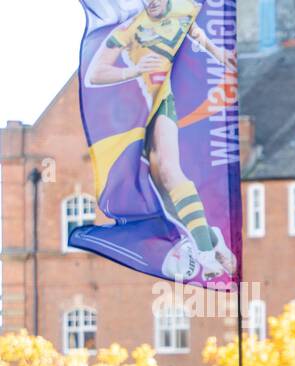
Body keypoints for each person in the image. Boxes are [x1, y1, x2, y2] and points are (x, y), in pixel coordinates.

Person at [85, 0, 238, 279]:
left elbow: (193, 31)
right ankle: (210, 237)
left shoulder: (185, 9)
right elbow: (94, 74)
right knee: (167, 197)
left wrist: (219, 53)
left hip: (163, 101)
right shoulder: (129, 28)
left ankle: (204, 251)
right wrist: (133, 70)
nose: (151, 1)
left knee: (169, 169)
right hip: (138, 112)